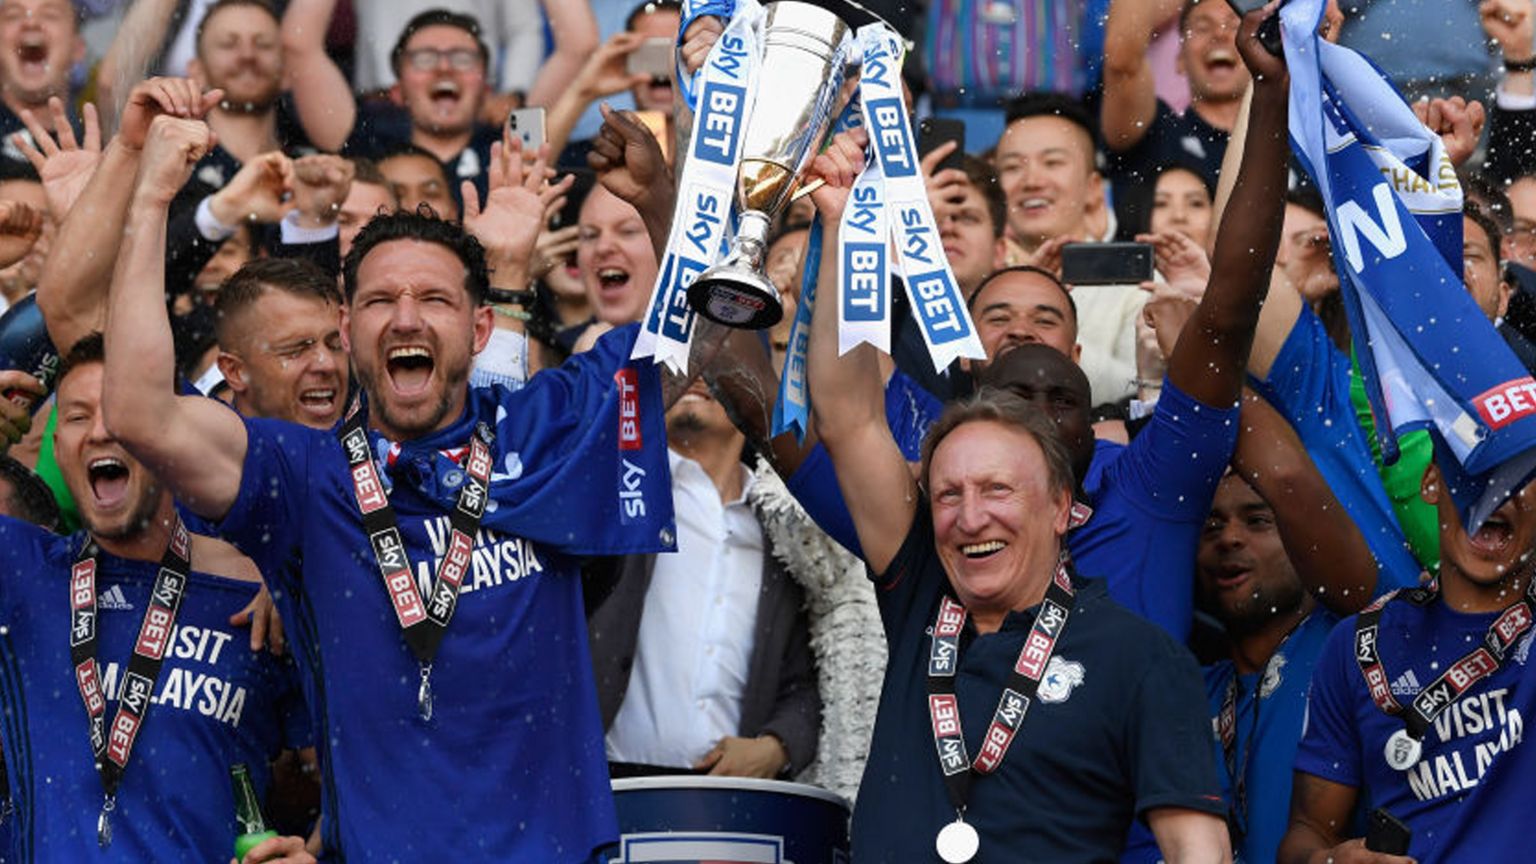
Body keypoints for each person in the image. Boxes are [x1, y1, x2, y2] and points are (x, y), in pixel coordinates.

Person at [101, 109, 684, 860]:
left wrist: (660, 204)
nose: (406, 317)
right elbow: (139, 411)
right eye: (380, 301)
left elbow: (708, 330)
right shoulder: (304, 476)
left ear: (479, 329)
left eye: (435, 301)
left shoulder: (548, 431)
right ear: (346, 329)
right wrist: (151, 201)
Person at [784, 2, 1291, 643]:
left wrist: (1271, 93)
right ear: (970, 365)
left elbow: (1232, 308)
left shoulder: (1144, 484)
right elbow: (846, 414)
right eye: (998, 321)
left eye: (1059, 393)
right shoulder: (937, 501)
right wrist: (842, 225)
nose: (1022, 336)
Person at [0, 333, 314, 863]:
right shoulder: (21, 571)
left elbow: (357, 780)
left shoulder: (258, 595)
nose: (100, 430)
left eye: (121, 413)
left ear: (169, 437)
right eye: (76, 417)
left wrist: (305, 852)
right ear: (56, 448)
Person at [1278, 461, 1536, 864]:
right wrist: (1330, 861)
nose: (1495, 491)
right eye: (1474, 468)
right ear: (1432, 482)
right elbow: (1304, 836)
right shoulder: (1360, 645)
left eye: (1518, 473)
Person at [591, 381, 821, 780]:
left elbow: (809, 678)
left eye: (718, 355)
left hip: (726, 806)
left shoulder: (786, 526)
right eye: (685, 353)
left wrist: (777, 746)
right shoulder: (616, 487)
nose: (696, 371)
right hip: (602, 790)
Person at [0, 0, 84, 164]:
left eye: (50, 15)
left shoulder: (98, 144)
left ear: (77, 48)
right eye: (13, 16)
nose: (31, 22)